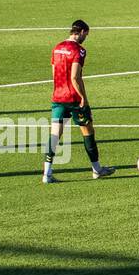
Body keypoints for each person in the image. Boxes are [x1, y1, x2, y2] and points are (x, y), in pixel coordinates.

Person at [43, 20, 116, 183]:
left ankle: (46, 174)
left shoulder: (57, 48)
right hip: (74, 99)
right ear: (81, 31)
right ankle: (97, 170)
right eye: (86, 34)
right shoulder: (79, 50)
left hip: (58, 97)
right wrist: (83, 97)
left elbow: (54, 72)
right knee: (88, 131)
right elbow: (75, 77)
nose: (86, 38)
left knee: (55, 135)